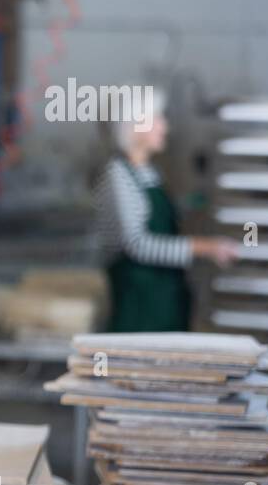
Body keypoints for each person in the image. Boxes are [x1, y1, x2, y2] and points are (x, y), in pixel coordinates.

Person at [94, 88, 238, 331]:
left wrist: (199, 201)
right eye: (157, 119)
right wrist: (205, 247)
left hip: (166, 304)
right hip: (139, 309)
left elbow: (156, 213)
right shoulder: (118, 177)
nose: (165, 127)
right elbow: (138, 244)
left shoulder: (147, 172)